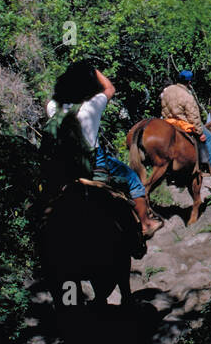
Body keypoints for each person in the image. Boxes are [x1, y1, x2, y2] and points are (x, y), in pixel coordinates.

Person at [45, 61, 160, 237]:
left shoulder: (53, 106)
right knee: (132, 178)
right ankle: (145, 224)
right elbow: (110, 88)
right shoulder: (93, 105)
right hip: (93, 161)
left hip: (64, 163)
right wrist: (92, 70)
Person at [160, 69, 211, 177]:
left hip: (167, 122)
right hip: (182, 124)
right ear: (189, 82)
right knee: (209, 138)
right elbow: (194, 117)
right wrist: (200, 132)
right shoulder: (187, 96)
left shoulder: (167, 91)